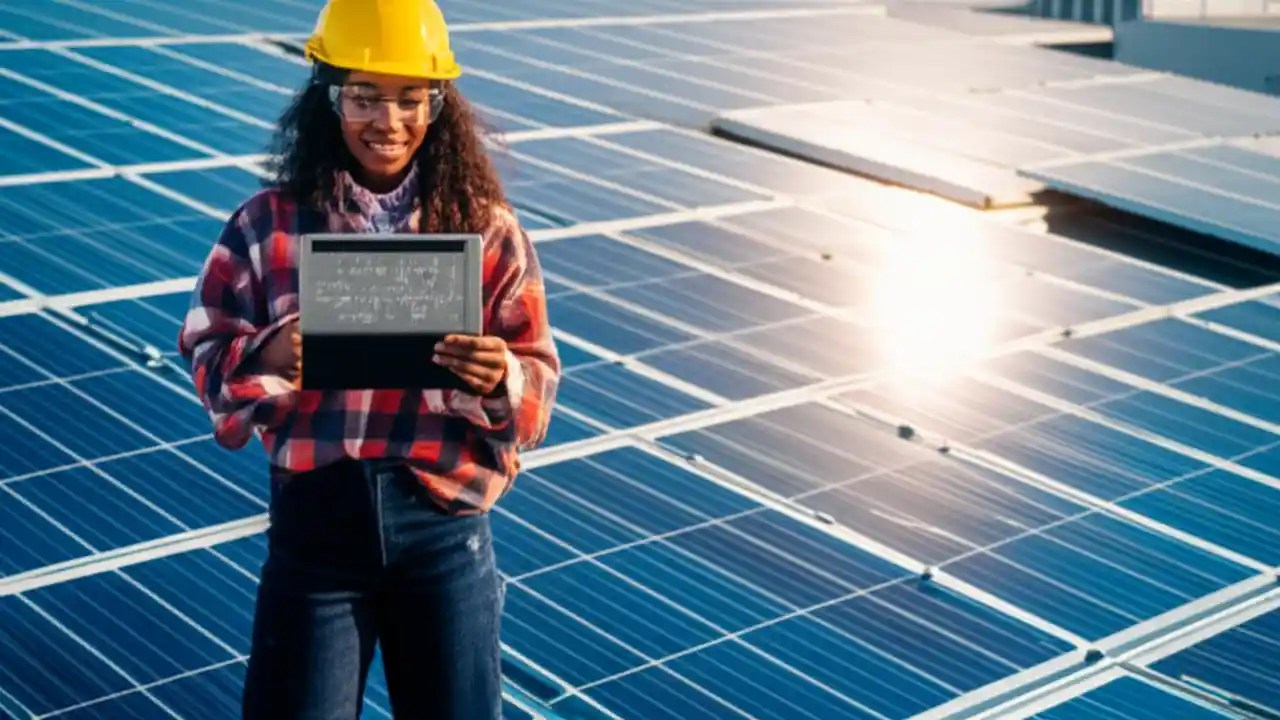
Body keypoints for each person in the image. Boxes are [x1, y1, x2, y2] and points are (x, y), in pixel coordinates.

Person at [177, 0, 560, 717]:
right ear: (327, 97)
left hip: (444, 532)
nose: (390, 120)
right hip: (316, 535)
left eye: (413, 97)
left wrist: (501, 377)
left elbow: (538, 382)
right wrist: (271, 351)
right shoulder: (267, 224)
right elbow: (204, 348)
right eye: (365, 96)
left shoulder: (485, 229)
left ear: (439, 104)